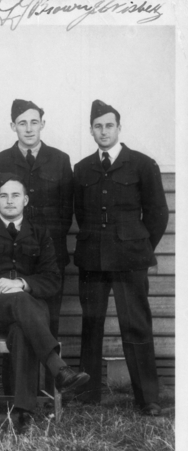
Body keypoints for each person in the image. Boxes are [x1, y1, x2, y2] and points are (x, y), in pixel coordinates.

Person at [0, 175, 89, 430]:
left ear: (25, 200)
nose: (9, 201)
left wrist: (22, 284)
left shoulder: (40, 234)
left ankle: (22, 413)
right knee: (20, 303)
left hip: (27, 312)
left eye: (15, 195)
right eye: (4, 196)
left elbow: (52, 280)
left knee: (22, 329)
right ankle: (57, 368)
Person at [73, 100, 168, 415]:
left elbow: (157, 215)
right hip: (92, 260)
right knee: (91, 324)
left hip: (130, 260)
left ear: (118, 128)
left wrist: (139, 247)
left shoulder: (142, 164)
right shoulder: (82, 168)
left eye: (109, 125)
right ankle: (88, 395)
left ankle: (147, 398)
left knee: (136, 326)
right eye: (97, 126)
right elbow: (81, 213)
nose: (103, 131)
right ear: (91, 130)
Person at [0, 99, 73, 338]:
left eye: (34, 122)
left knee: (49, 319)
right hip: (10, 255)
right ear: (12, 126)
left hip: (50, 254)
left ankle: (52, 374)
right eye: (22, 123)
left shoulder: (60, 159)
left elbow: (66, 212)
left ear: (42, 124)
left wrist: (42, 241)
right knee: (15, 322)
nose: (28, 128)